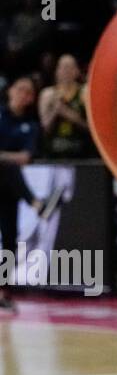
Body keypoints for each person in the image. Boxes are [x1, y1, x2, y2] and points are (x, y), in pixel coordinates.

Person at [0, 76, 59, 311]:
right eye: (19, 89)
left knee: (10, 238)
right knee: (10, 168)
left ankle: (3, 290)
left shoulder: (31, 126)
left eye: (27, 91)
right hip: (11, 183)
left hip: (6, 188)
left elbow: (26, 157)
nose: (22, 94)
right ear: (10, 90)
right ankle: (37, 204)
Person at [38, 54, 92, 159]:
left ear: (77, 71)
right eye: (62, 67)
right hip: (53, 153)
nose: (66, 71)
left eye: (70, 67)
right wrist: (55, 111)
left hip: (80, 153)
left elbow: (92, 129)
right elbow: (44, 128)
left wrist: (73, 117)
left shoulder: (85, 92)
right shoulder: (48, 94)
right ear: (56, 71)